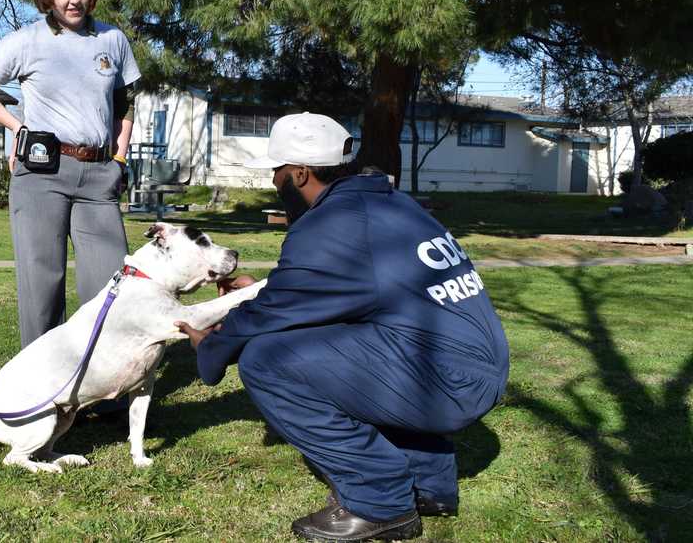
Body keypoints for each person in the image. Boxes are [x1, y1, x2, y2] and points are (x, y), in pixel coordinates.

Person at [174, 113, 510, 542]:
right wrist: (266, 293)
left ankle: (380, 504)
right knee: (340, 346)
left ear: (300, 173)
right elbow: (331, 292)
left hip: (447, 382)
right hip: (470, 369)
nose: (273, 183)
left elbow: (277, 310)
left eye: (276, 173)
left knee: (267, 360)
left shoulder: (331, 222)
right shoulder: (389, 202)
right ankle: (428, 484)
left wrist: (213, 344)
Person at [0, 0, 141, 348]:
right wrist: (19, 128)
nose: (74, 0)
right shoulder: (27, 41)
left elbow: (125, 103)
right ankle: (42, 397)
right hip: (41, 174)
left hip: (99, 175)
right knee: (43, 285)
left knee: (108, 287)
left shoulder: (112, 40)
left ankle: (102, 395)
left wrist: (119, 157)